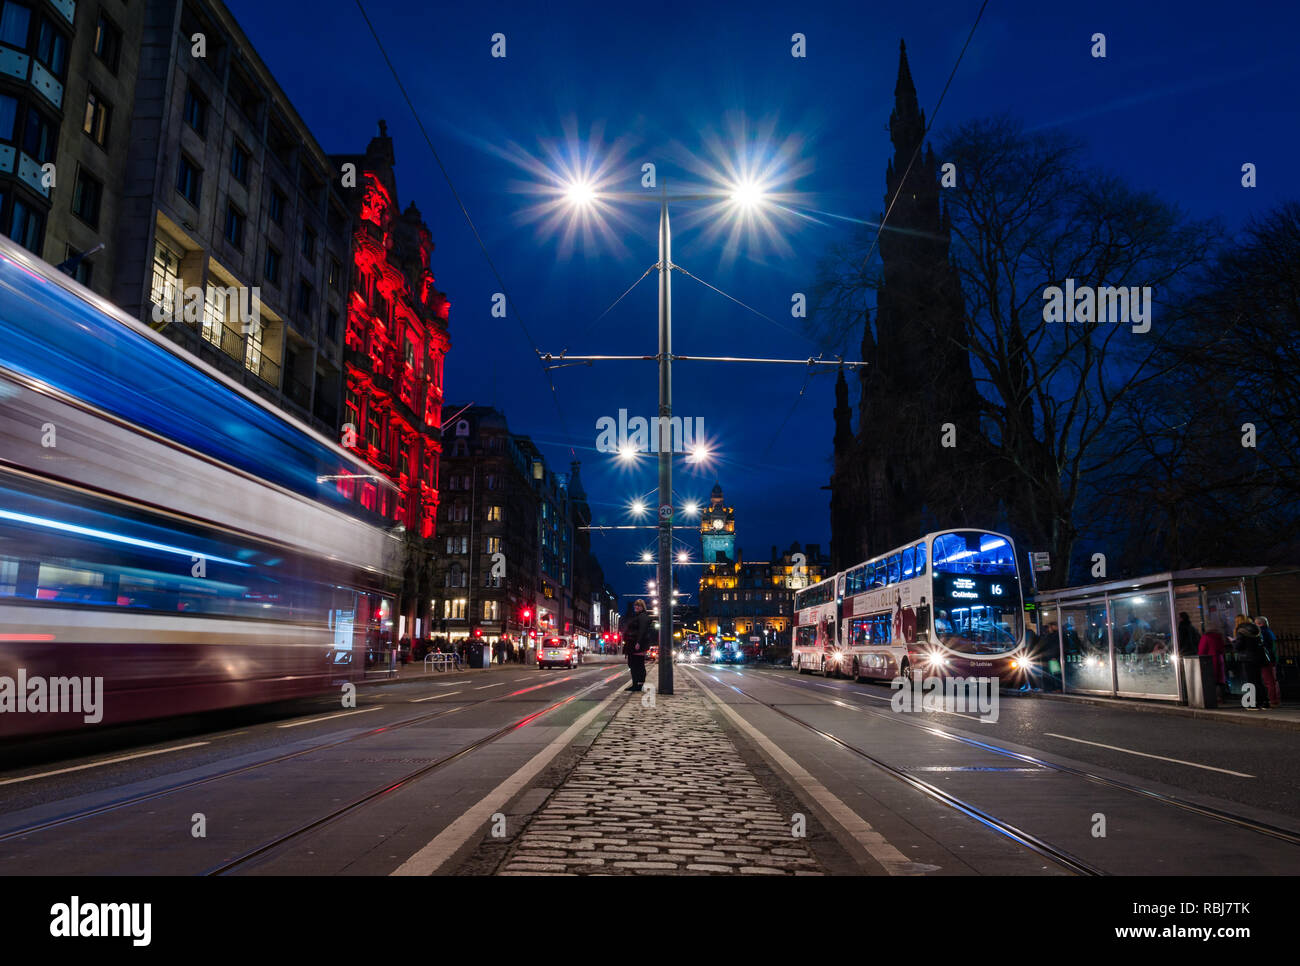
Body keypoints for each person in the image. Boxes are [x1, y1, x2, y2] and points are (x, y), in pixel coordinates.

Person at [1233, 617, 1271, 709]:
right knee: (1258, 680)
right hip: (1257, 658)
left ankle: (1253, 703)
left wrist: (1233, 642)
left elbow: (1238, 646)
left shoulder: (1241, 631)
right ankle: (1265, 702)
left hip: (1247, 659)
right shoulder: (1256, 629)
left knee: (1250, 681)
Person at [620, 598, 653, 692]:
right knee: (634, 664)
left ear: (642, 607)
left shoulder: (643, 617)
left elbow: (642, 630)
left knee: (637, 664)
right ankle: (636, 684)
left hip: (637, 644)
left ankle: (638, 685)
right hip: (633, 644)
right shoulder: (638, 616)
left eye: (638, 605)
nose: (636, 607)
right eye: (635, 605)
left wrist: (638, 642)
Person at [1197, 626, 1228, 703]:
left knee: (1211, 679)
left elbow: (1202, 650)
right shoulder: (1219, 636)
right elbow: (1222, 648)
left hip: (1209, 660)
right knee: (1220, 679)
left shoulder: (1206, 637)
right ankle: (1222, 697)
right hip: (1219, 658)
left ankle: (1214, 697)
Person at [1256, 616, 1282, 708]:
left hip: (1266, 660)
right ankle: (1277, 699)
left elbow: (1263, 646)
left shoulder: (1262, 633)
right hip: (1273, 659)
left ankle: (1273, 700)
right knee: (1274, 681)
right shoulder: (1269, 632)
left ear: (1259, 624)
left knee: (1268, 681)